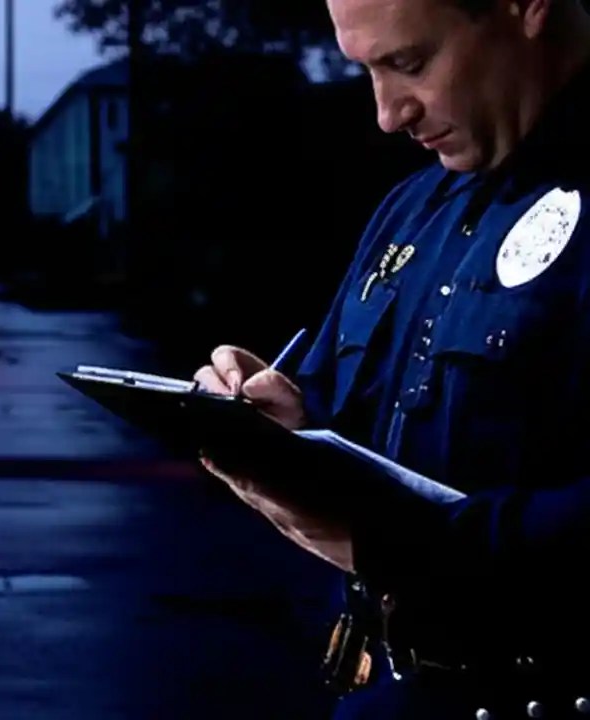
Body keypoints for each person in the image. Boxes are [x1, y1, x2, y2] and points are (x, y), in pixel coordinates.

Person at [193, 0, 590, 717]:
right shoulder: (410, 211)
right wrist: (287, 419)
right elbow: (364, 421)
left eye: (409, 63)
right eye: (367, 69)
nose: (386, 113)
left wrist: (404, 547)